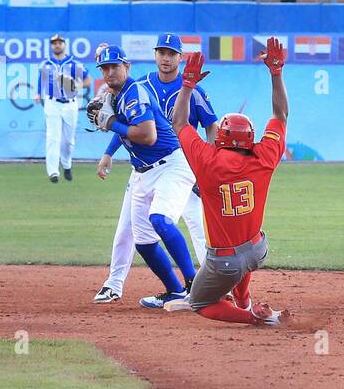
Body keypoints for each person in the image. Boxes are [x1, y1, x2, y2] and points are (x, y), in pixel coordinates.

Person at [168, 38, 290, 326]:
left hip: (224, 261)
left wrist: (187, 86)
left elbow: (179, 123)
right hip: (258, 250)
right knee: (245, 249)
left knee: (200, 302)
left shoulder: (207, 161)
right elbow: (280, 114)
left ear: (221, 138)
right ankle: (244, 298)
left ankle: (255, 318)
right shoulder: (264, 157)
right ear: (250, 137)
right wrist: (276, 72)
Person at [92, 34, 215, 305]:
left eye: (115, 66)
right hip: (143, 172)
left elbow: (147, 136)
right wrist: (109, 150)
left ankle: (195, 283)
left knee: (163, 220)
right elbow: (122, 125)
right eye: (105, 68)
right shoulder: (118, 94)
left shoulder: (135, 91)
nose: (110, 72)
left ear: (127, 66)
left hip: (173, 164)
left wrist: (112, 122)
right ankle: (175, 291)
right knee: (144, 241)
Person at [35, 33, 90, 183]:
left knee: (68, 140)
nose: (57, 45)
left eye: (59, 42)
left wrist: (77, 85)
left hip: (70, 103)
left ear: (64, 45)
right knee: (53, 137)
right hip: (52, 103)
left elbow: (88, 80)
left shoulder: (74, 64)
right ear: (52, 46)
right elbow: (41, 81)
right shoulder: (46, 64)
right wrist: (38, 93)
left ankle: (66, 165)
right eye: (54, 43)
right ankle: (53, 172)